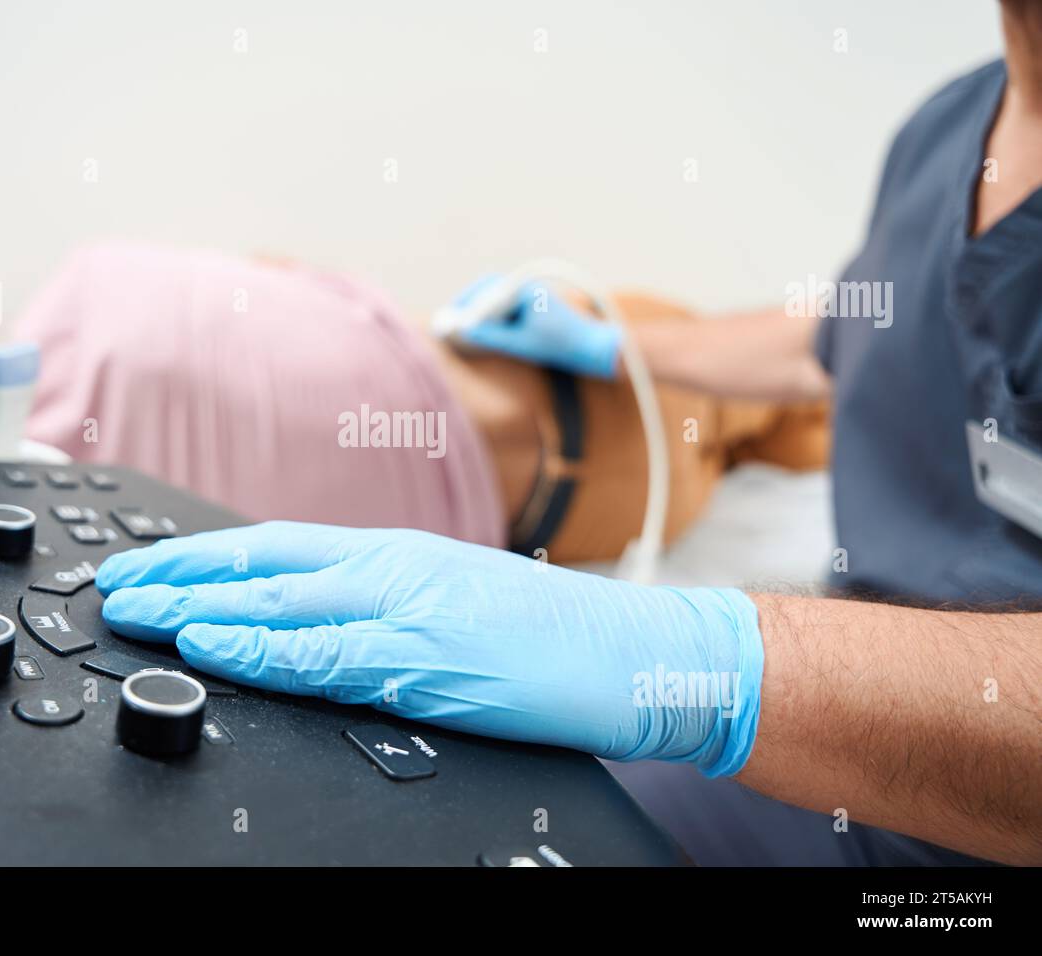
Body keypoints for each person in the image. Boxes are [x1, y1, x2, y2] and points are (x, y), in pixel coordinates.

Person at [95, 0, 1042, 867]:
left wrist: (713, 663)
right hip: (801, 751)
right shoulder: (947, 129)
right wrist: (620, 342)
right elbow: (853, 333)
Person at [0, 248, 827, 565]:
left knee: (798, 442)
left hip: (575, 503)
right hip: (578, 364)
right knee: (825, 393)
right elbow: (300, 278)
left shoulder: (73, 547)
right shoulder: (97, 276)